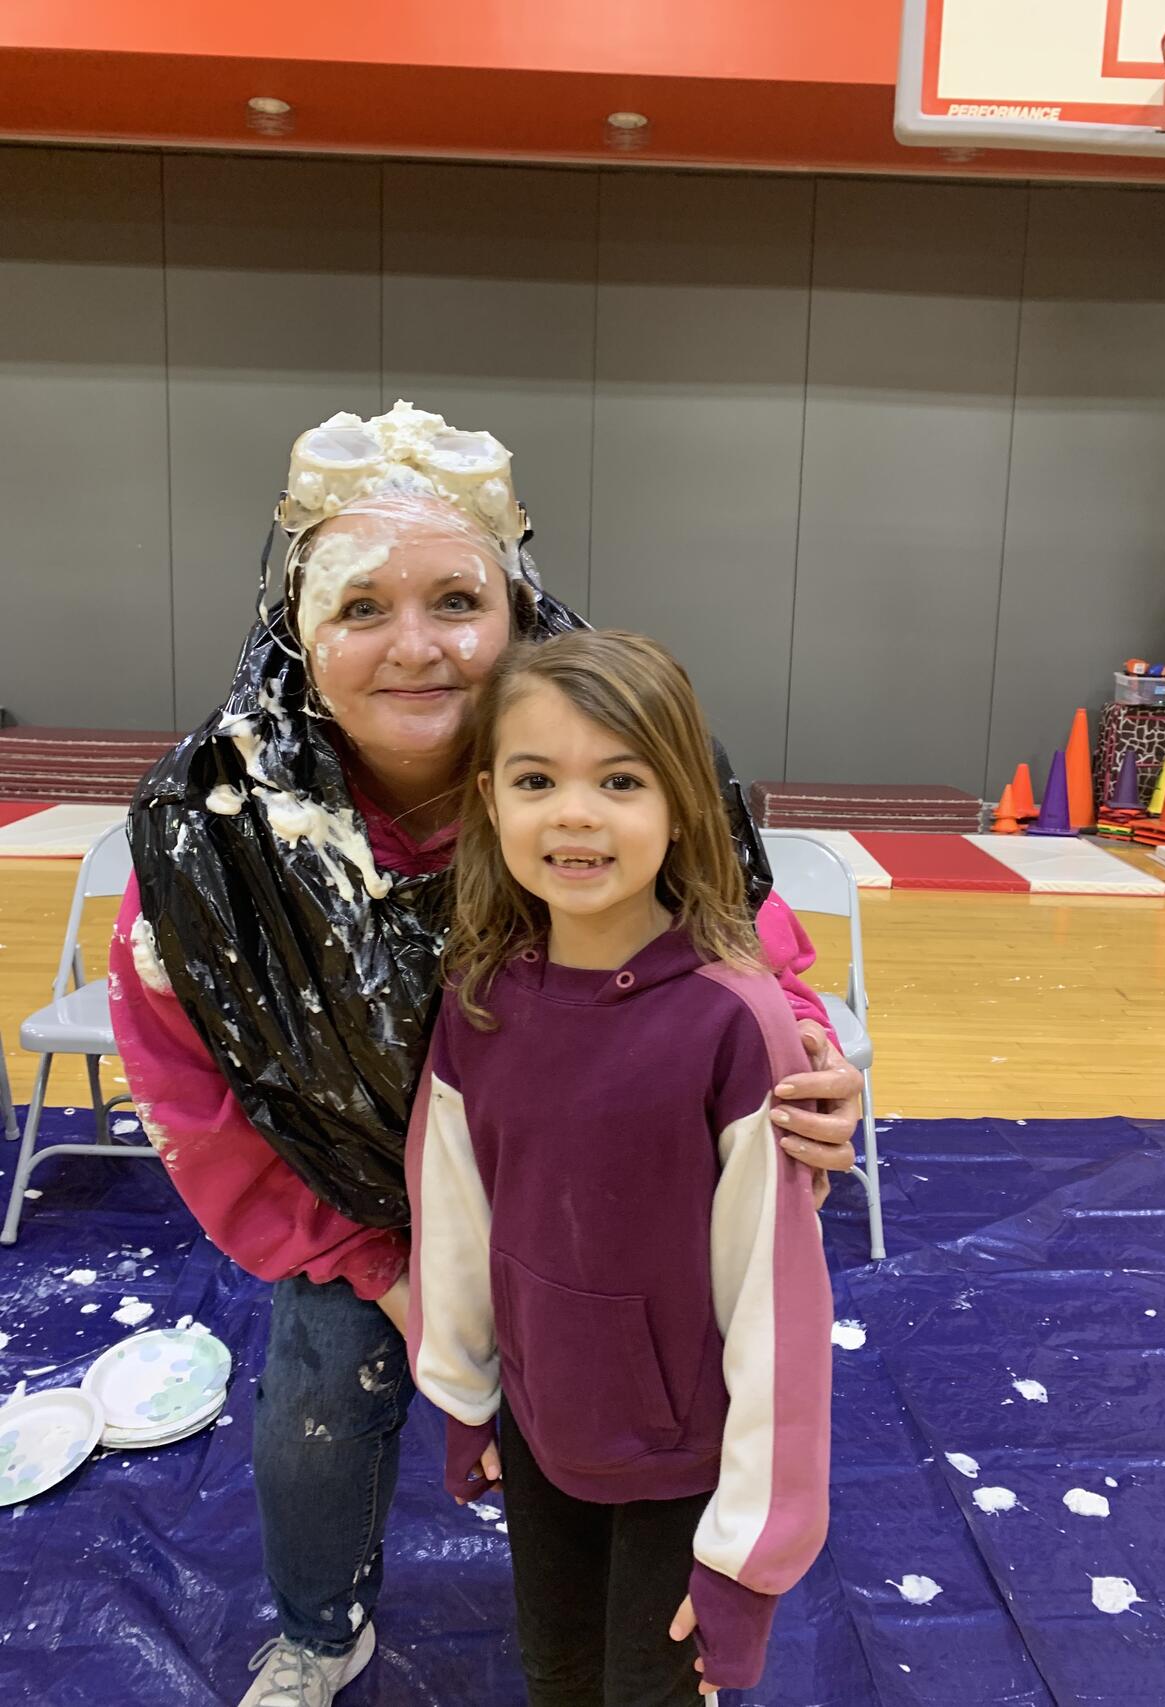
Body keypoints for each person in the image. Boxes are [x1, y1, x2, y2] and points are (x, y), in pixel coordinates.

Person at [107, 402, 860, 1707]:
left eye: (456, 596)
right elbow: (201, 1108)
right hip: (349, 1202)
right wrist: (382, 1269)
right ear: (297, 621)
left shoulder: (606, 773)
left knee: (642, 1443)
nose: (416, 647)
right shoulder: (209, 850)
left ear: (514, 606)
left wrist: (807, 1058)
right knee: (314, 1416)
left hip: (605, 1201)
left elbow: (747, 952)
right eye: (361, 608)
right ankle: (318, 1621)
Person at [408, 629, 832, 1703]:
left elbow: (775, 1306)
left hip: (679, 1466)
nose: (575, 813)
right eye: (536, 778)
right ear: (488, 800)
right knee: (556, 1675)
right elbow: (454, 1215)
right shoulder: (479, 1002)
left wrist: (747, 1553)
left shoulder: (732, 1023)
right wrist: (464, 1395)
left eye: (620, 779)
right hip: (543, 1437)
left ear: (681, 802)